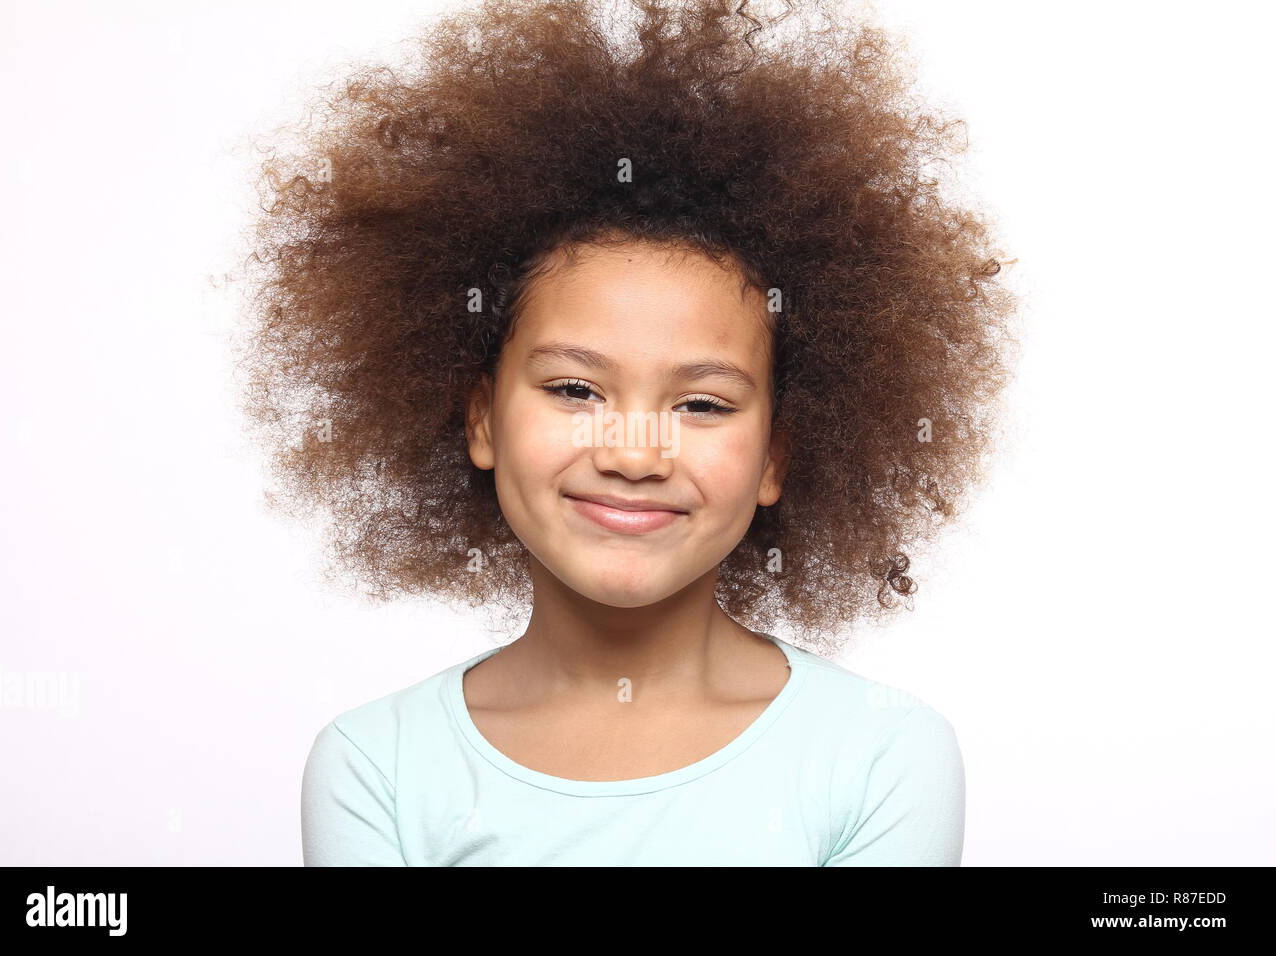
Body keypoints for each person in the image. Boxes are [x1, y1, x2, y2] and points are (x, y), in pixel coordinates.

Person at [240, 0, 1015, 865]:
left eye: (704, 404)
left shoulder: (879, 755)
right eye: (576, 388)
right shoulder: (377, 767)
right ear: (482, 418)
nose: (634, 452)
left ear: (777, 456)